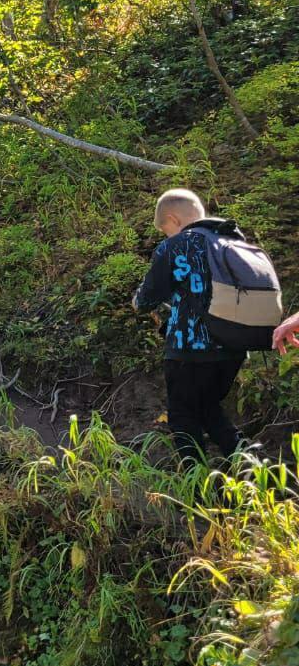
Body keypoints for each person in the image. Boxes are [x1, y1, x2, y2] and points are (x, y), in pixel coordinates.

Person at [133, 188, 249, 463]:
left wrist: (137, 302)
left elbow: (147, 298)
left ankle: (196, 492)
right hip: (234, 347)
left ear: (172, 219)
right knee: (209, 410)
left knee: (183, 415)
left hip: (190, 348)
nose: (166, 236)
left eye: (165, 230)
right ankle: (254, 475)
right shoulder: (234, 240)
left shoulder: (175, 246)